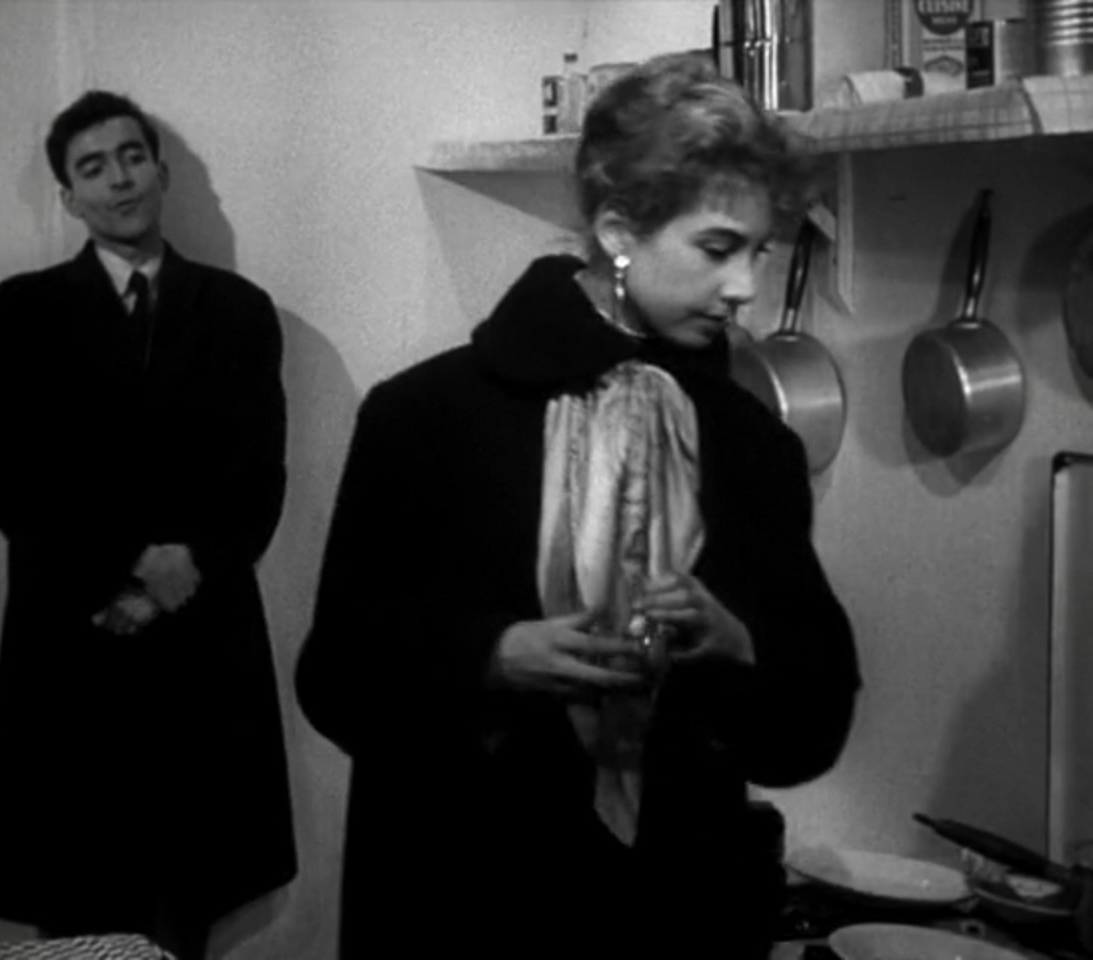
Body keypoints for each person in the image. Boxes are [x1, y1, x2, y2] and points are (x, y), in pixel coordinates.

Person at [295, 54, 860, 959]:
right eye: (718, 249)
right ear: (618, 230)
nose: (746, 287)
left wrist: (737, 643)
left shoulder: (755, 447)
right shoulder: (424, 418)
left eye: (760, 251)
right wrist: (490, 656)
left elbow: (811, 731)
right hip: (458, 911)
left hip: (671, 920)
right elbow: (336, 679)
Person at [0, 90, 296, 959]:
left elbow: (257, 477)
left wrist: (180, 575)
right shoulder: (14, 314)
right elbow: (12, 483)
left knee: (191, 908)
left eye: (132, 157)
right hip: (74, 644)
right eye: (93, 167)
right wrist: (128, 569)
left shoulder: (238, 310)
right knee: (77, 916)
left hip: (202, 642)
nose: (119, 180)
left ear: (162, 172)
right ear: (69, 198)